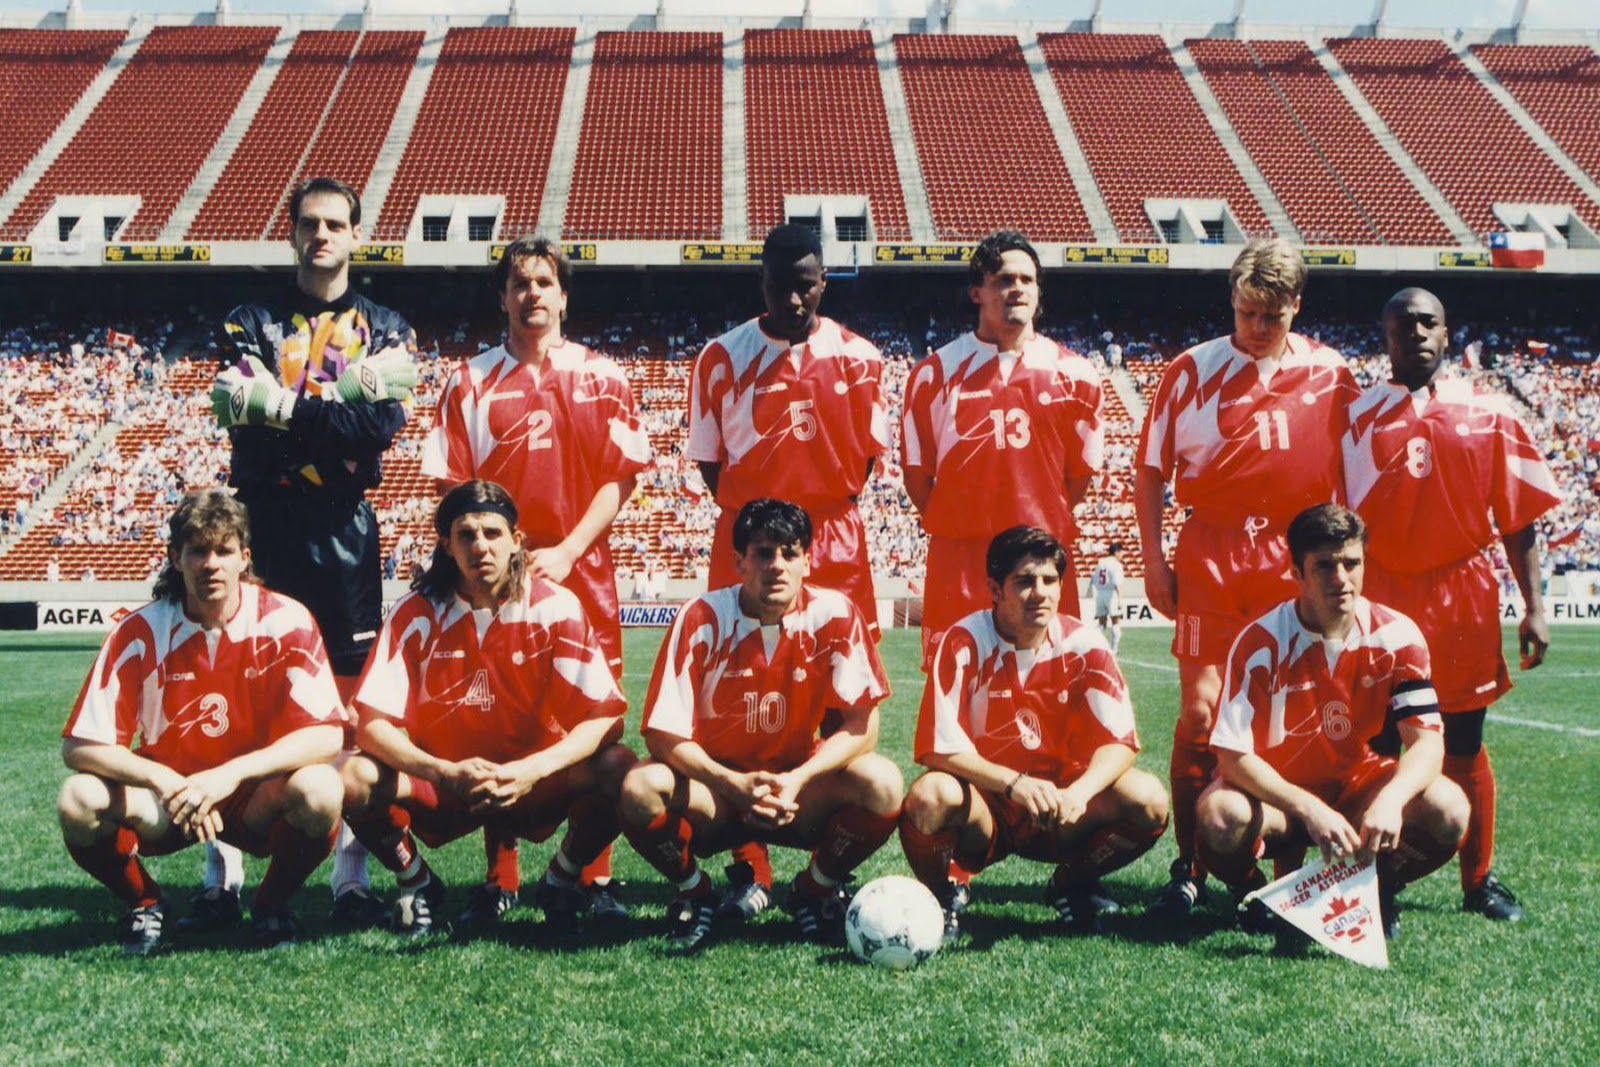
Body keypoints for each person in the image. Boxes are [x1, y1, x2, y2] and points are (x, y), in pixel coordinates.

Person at [204, 176, 418, 930]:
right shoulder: (248, 320)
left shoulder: (385, 323)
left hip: (343, 529)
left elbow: (378, 430)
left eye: (334, 224)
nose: (321, 234)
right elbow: (243, 426)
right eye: (309, 223)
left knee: (352, 702)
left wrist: (283, 407)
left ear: (357, 235)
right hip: (261, 520)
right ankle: (222, 870)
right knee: (243, 686)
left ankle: (349, 876)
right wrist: (336, 408)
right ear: (291, 232)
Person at [421, 235, 650, 923]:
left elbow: (621, 477)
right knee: (501, 719)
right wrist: (497, 559)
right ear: (503, 297)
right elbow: (452, 487)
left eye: (544, 282)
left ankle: (587, 874)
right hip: (495, 576)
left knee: (596, 725)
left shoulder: (602, 375)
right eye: (520, 283)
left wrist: (570, 550)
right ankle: (502, 872)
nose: (532, 294)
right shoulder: (469, 382)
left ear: (564, 296)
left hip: (583, 572)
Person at [1134, 237, 1358, 919]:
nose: (1257, 327)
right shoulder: (1192, 369)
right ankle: (1189, 865)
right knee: (1203, 714)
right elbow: (1150, 470)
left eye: (1272, 316)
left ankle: (1280, 868)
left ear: (1297, 306)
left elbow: (1353, 474)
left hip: (1295, 553)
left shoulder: (1331, 372)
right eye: (1246, 313)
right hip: (1214, 548)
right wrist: (1154, 559)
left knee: (1285, 716)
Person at [686, 224, 889, 918]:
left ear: (824, 282)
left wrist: (812, 507)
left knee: (838, 703)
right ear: (762, 284)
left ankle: (820, 875)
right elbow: (711, 463)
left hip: (835, 536)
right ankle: (750, 859)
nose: (794, 298)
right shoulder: (721, 357)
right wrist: (761, 527)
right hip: (748, 538)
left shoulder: (860, 358)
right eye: (781, 285)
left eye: (806, 284)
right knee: (737, 696)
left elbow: (866, 459)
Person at [1344, 287, 1561, 922]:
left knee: (1464, 739)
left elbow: (1518, 520)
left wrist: (1535, 606)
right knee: (1383, 743)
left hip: (1462, 595)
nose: (1415, 332)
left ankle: (1479, 881)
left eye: (1427, 322)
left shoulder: (1490, 412)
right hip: (1381, 596)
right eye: (1402, 323)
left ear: (1446, 332)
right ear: (1384, 336)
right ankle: (1378, 878)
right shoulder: (1354, 416)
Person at [340, 481, 634, 936]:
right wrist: (442, 772)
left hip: (532, 783)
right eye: (466, 535)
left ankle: (560, 879)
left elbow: (606, 717)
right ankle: (417, 882)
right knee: (352, 777)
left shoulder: (554, 607)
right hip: (447, 784)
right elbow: (371, 725)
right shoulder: (416, 613)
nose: (480, 546)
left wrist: (531, 770)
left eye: (493, 533)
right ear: (447, 545)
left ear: (517, 541)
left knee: (620, 768)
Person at [57, 491, 345, 954]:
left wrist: (229, 775)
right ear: (176, 558)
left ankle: (270, 905)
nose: (211, 564)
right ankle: (145, 902)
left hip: (252, 797)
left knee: (322, 788)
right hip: (170, 801)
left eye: (223, 551)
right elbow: (79, 746)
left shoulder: (286, 620)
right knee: (78, 799)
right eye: (197, 551)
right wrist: (166, 780)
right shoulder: (141, 631)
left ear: (244, 557)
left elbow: (327, 735)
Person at [617, 499, 902, 953]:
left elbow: (863, 724)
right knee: (640, 788)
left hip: (796, 792)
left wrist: (797, 780)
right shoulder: (702, 617)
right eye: (764, 553)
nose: (777, 566)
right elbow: (662, 734)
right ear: (740, 562)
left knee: (883, 782)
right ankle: (695, 892)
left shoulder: (835, 613)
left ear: (808, 561)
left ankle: (814, 890)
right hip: (718, 794)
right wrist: (732, 784)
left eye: (790, 553)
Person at [1198, 504, 1469, 940]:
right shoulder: (1261, 641)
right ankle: (1257, 895)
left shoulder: (1397, 636)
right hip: (1280, 798)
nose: (1341, 578)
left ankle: (1375, 887)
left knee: (1449, 809)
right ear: (1297, 573)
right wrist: (1308, 808)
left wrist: (1391, 799)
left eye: (1351, 563)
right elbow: (1232, 755)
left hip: (1357, 790)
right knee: (1220, 817)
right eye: (1324, 566)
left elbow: (1427, 742)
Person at [899, 526, 1168, 941]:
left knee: (1148, 797)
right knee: (930, 795)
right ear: (995, 589)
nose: (1040, 593)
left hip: (1061, 810)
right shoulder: (965, 641)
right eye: (1024, 581)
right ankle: (942, 898)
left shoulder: (1084, 643)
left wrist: (1079, 793)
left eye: (1049, 580)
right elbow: (939, 748)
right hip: (987, 810)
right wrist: (1015, 784)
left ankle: (1072, 884)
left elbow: (1120, 741)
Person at [901, 230, 1104, 664]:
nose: (1017, 288)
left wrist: (1035, 527)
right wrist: (963, 527)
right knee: (956, 684)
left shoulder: (1077, 374)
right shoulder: (934, 374)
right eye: (1003, 280)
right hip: (961, 562)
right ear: (977, 291)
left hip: (1040, 561)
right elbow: (918, 478)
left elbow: (1079, 477)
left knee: (1046, 682)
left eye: (1027, 280)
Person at [1090, 542, 1126, 654]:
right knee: (1116, 622)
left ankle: (1094, 647)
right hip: (1111, 594)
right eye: (1121, 552)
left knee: (1101, 623)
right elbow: (1117, 583)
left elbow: (1095, 580)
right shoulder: (1116, 565)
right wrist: (1120, 599)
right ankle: (1114, 649)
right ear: (1116, 552)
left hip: (1100, 593)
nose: (1122, 555)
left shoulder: (1101, 562)